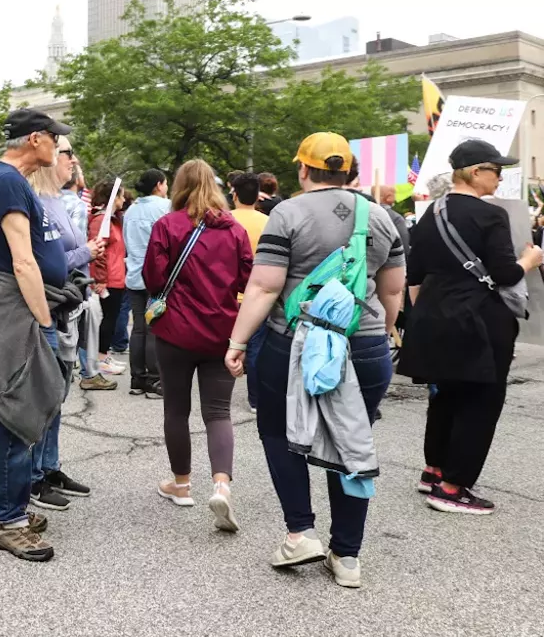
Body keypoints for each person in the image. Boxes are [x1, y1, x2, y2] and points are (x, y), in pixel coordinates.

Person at [225, 133, 405, 590]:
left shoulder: (286, 213)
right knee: (352, 438)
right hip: (364, 345)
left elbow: (265, 286)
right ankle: (346, 556)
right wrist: (382, 333)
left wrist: (238, 341)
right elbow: (392, 292)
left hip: (297, 342)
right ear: (348, 173)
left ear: (303, 170)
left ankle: (299, 532)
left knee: (277, 430)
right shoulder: (381, 216)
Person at [400, 139, 544, 515]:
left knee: (445, 394)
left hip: (437, 314)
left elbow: (413, 273)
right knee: (481, 400)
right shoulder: (489, 215)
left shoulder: (431, 212)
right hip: (479, 320)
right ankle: (453, 486)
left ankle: (433, 470)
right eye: (495, 170)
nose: (499, 177)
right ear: (476, 171)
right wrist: (530, 259)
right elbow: (505, 273)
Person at [0, 109, 74, 561]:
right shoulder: (9, 181)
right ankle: (7, 520)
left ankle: (10, 509)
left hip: (25, 305)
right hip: (21, 309)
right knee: (17, 413)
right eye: (55, 138)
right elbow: (22, 259)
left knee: (28, 410)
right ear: (35, 139)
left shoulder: (12, 180)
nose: (59, 145)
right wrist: (44, 319)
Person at [145, 160, 252, 531]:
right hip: (222, 329)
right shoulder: (234, 229)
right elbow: (247, 279)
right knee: (218, 412)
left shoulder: (167, 225)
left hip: (175, 330)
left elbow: (154, 277)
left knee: (176, 409)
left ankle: (182, 484)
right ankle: (221, 484)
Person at [26, 136, 103, 510]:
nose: (73, 161)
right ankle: (35, 477)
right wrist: (87, 251)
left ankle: (49, 466)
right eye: (67, 154)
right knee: (47, 395)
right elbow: (49, 262)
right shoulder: (38, 203)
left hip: (66, 308)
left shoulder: (55, 201)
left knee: (60, 394)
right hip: (49, 308)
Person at [124, 169, 171, 397]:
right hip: (156, 276)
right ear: (159, 185)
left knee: (139, 329)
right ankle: (155, 380)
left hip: (133, 274)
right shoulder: (164, 207)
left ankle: (137, 379)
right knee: (155, 328)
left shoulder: (130, 210)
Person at [230, 172, 269, 412]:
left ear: (233, 194)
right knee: (256, 348)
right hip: (256, 295)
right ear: (258, 196)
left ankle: (216, 395)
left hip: (225, 294)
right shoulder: (268, 222)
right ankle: (255, 400)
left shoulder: (223, 220)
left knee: (222, 347)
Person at [89, 183, 129, 378]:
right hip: (109, 280)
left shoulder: (113, 220)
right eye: (121, 196)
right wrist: (101, 278)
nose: (123, 200)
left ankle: (104, 355)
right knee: (107, 320)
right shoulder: (101, 221)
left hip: (116, 277)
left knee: (111, 319)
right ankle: (100, 358)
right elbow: (99, 251)